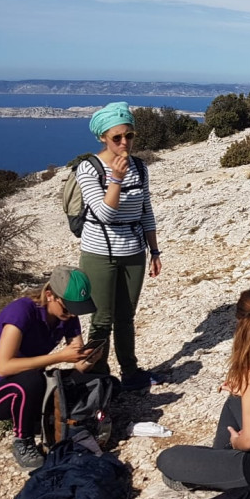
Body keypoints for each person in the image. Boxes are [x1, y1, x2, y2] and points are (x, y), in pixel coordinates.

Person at [156, 286, 250, 491]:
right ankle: (219, 461)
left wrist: (237, 442)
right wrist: (244, 392)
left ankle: (220, 468)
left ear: (239, 320)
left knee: (167, 459)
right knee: (234, 400)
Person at [0, 266, 101, 470]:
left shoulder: (66, 317)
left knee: (96, 379)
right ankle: (23, 442)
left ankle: (64, 422)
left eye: (75, 310)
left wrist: (89, 358)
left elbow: (77, 366)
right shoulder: (21, 312)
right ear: (50, 295)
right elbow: (4, 367)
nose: (71, 315)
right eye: (67, 308)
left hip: (31, 381)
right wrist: (58, 357)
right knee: (31, 381)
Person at [77, 101, 162, 391]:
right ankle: (99, 376)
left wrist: (155, 251)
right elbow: (105, 213)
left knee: (126, 318)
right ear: (103, 137)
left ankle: (130, 371)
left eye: (129, 135)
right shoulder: (88, 169)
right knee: (101, 319)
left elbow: (146, 209)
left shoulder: (139, 166)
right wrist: (116, 178)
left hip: (134, 251)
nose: (124, 142)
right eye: (117, 137)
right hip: (99, 253)